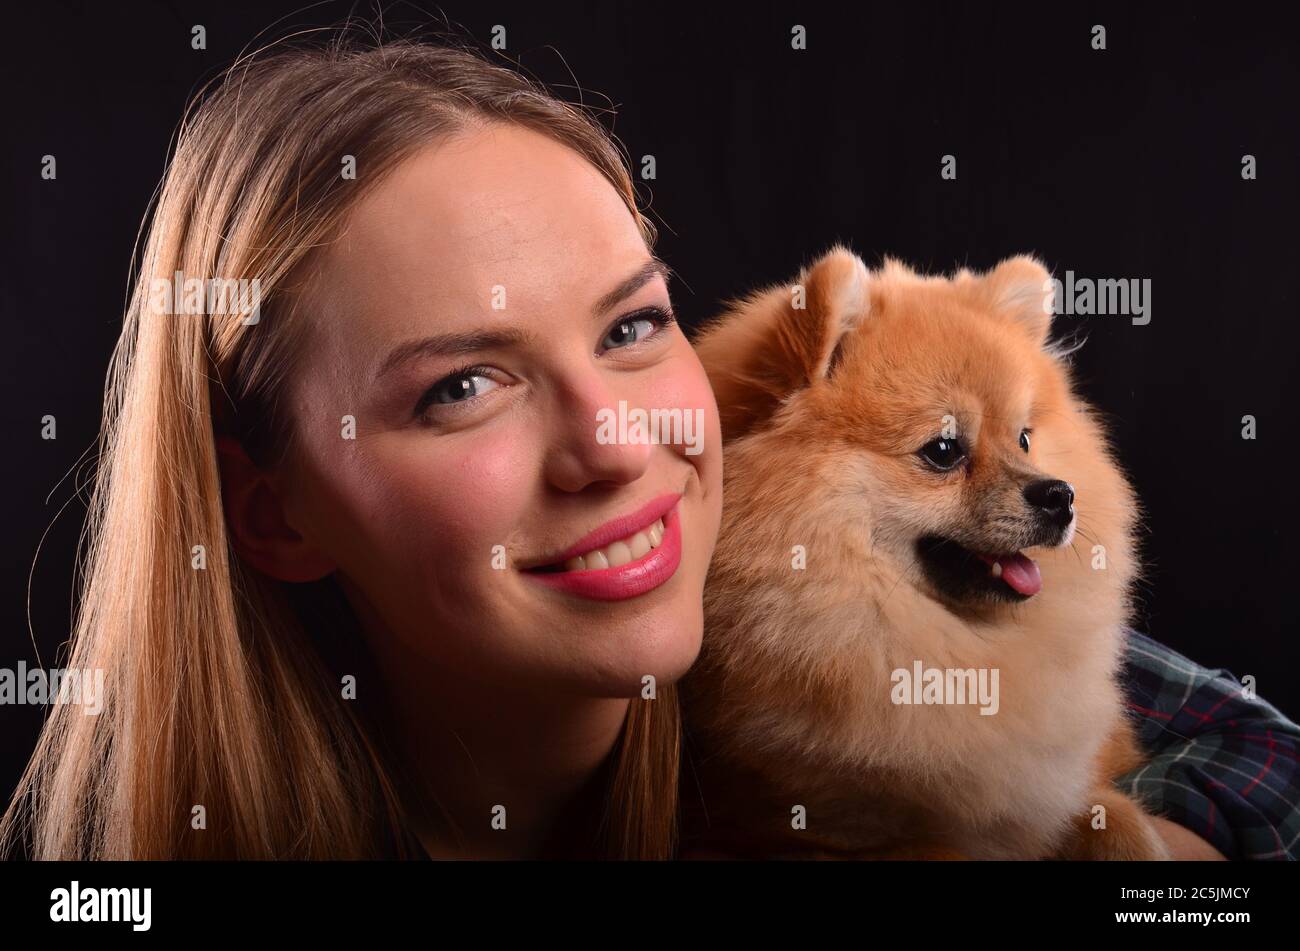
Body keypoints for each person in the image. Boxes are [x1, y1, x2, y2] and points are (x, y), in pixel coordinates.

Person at [2, 35, 1294, 861]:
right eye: (462, 386)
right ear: (275, 516)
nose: (617, 447)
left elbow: (1251, 755)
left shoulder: (900, 663)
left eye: (630, 325)